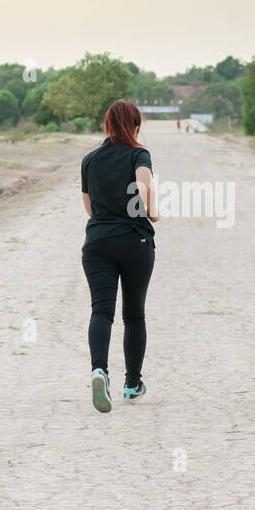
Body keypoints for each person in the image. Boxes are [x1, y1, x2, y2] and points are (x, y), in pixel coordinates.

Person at [80, 100, 158, 413]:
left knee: (101, 311)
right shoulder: (140, 153)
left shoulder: (89, 160)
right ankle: (132, 384)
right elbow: (143, 184)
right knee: (134, 315)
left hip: (97, 242)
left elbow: (88, 209)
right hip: (134, 241)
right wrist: (152, 211)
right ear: (135, 125)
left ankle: (100, 371)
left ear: (107, 125)